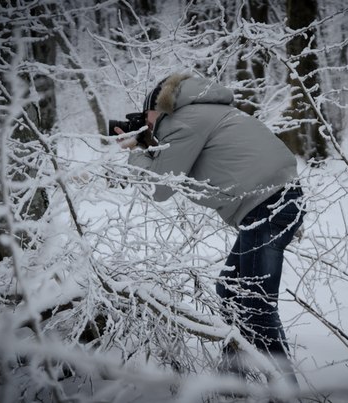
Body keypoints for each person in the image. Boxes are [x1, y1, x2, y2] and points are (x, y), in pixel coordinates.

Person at [116, 73, 305, 385]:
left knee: (256, 304)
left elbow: (159, 187)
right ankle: (233, 377)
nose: (143, 123)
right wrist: (150, 145)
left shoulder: (183, 120)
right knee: (230, 289)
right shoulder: (209, 111)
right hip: (279, 201)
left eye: (145, 116)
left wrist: (135, 150)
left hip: (266, 206)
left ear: (159, 109)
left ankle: (286, 389)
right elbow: (177, 162)